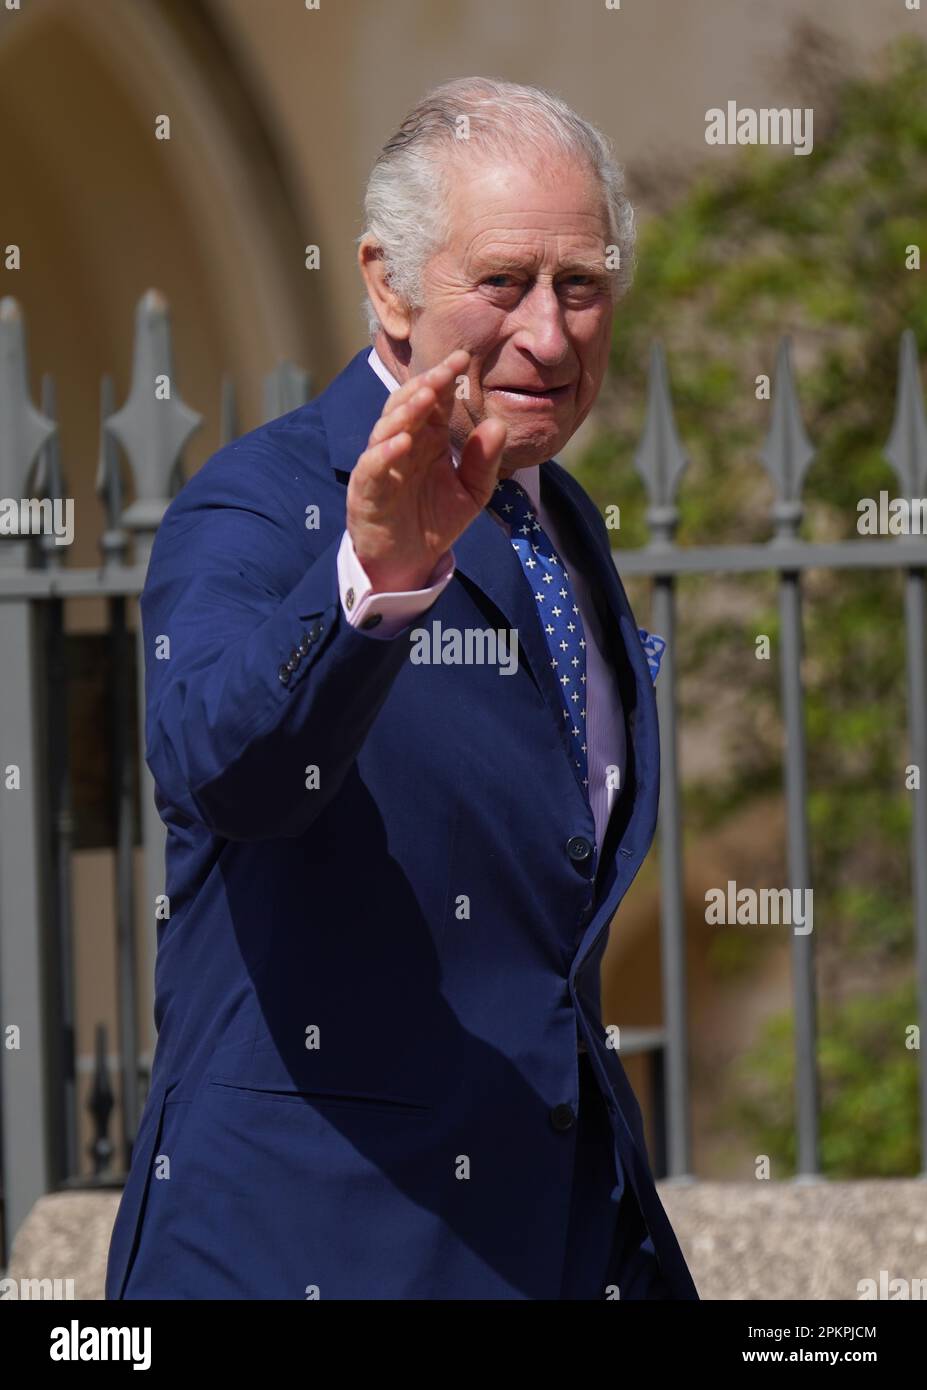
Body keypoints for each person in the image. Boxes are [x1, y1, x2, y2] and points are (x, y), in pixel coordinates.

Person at [106, 76, 699, 1301]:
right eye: (505, 283)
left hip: (560, 1245)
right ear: (388, 285)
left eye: (581, 286)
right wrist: (373, 578)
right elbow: (219, 765)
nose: (549, 332)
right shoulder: (259, 505)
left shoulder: (563, 518)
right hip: (310, 1249)